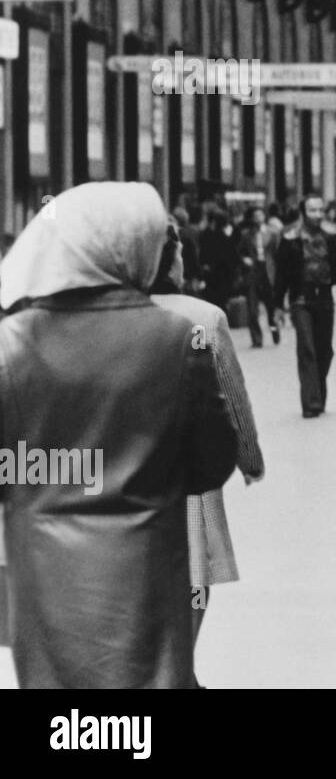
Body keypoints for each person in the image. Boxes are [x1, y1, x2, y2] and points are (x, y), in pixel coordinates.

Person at [0, 182, 238, 688]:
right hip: (146, 566)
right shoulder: (175, 338)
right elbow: (212, 462)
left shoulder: (9, 345)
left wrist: (48, 473)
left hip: (44, 571)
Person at [151, 221, 265, 688]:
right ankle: (179, 672)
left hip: (114, 477)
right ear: (171, 260)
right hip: (191, 474)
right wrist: (249, 459)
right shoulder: (202, 316)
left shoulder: (102, 315)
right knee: (195, 580)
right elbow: (231, 398)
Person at [275, 193, 336, 418]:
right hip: (301, 299)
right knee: (306, 347)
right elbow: (281, 273)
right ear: (303, 212)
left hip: (324, 297)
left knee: (324, 351)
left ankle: (318, 391)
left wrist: (333, 280)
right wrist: (277, 305)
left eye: (320, 210)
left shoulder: (332, 235)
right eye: (312, 210)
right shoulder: (290, 237)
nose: (317, 215)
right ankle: (311, 403)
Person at [237, 206, 280, 347]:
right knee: (252, 308)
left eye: (260, 215)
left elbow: (277, 255)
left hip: (268, 271)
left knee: (271, 307)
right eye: (255, 216)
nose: (258, 218)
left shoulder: (272, 234)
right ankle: (257, 339)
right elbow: (239, 252)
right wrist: (244, 259)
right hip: (253, 272)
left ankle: (274, 329)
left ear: (264, 217)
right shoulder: (246, 235)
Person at [198, 205, 240, 314]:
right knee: (221, 304)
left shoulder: (206, 236)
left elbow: (202, 256)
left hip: (212, 276)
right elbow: (234, 258)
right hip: (224, 276)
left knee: (212, 303)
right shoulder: (227, 238)